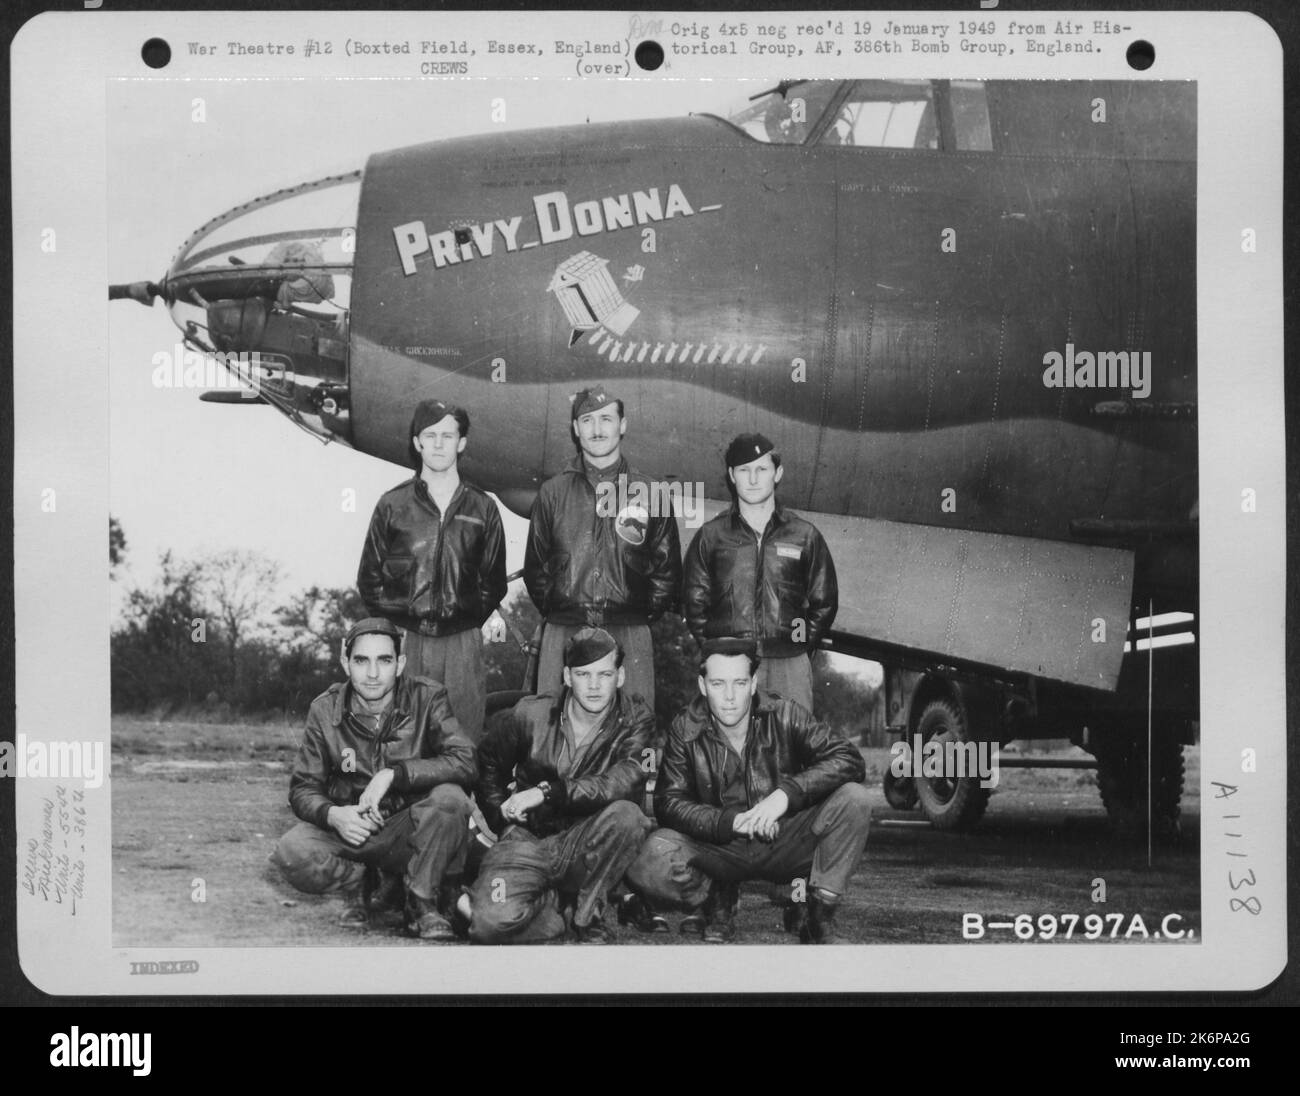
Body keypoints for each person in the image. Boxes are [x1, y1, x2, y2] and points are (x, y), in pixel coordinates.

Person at [626, 638, 870, 944]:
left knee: (854, 800)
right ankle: (715, 895)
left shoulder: (785, 714)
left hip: (783, 838)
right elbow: (668, 803)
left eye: (739, 683)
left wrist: (784, 796)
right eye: (718, 684)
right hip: (720, 848)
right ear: (702, 685)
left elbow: (848, 758)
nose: (729, 697)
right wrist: (730, 822)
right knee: (650, 857)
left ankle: (819, 916)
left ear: (753, 683)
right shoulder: (684, 728)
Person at [271, 618, 477, 941]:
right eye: (361, 661)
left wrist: (395, 774)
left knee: (451, 799)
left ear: (400, 664)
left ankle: (420, 900)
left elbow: (465, 759)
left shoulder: (428, 698)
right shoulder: (324, 710)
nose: (372, 673)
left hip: (411, 831)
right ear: (345, 663)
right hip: (354, 830)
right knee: (291, 851)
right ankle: (358, 883)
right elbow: (303, 787)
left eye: (384, 660)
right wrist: (334, 815)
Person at [467, 628, 656, 944]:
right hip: (528, 840)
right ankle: (558, 909)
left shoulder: (637, 720)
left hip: (586, 843)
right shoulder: (531, 713)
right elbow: (487, 761)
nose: (594, 685)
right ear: (567, 676)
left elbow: (622, 782)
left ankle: (587, 915)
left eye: (604, 674)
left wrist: (545, 792)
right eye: (583, 674)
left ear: (621, 676)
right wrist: (501, 818)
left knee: (628, 816)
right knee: (489, 923)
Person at [358, 398, 507, 743]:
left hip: (461, 643)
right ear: (417, 442)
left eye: (448, 436)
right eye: (430, 435)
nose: (439, 444)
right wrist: (397, 625)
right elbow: (369, 579)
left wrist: (463, 621)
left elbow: (493, 582)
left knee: (462, 739)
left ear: (462, 443)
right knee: (401, 740)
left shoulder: (483, 508)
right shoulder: (392, 505)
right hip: (405, 640)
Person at [523, 385, 680, 708]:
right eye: (588, 420)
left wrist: (634, 614)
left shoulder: (652, 493)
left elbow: (667, 571)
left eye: (606, 419)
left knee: (634, 725)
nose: (597, 429)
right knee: (553, 726)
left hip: (629, 632)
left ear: (622, 425)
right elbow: (536, 568)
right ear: (575, 428)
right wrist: (563, 609)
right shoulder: (552, 493)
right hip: (564, 630)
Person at [682, 433, 837, 715]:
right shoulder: (711, 537)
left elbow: (823, 602)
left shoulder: (804, 536)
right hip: (731, 667)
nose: (753, 479)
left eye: (762, 469)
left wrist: (797, 644)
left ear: (778, 473)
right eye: (744, 470)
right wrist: (720, 651)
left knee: (793, 738)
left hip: (789, 666)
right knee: (731, 741)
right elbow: (694, 603)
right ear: (732, 475)